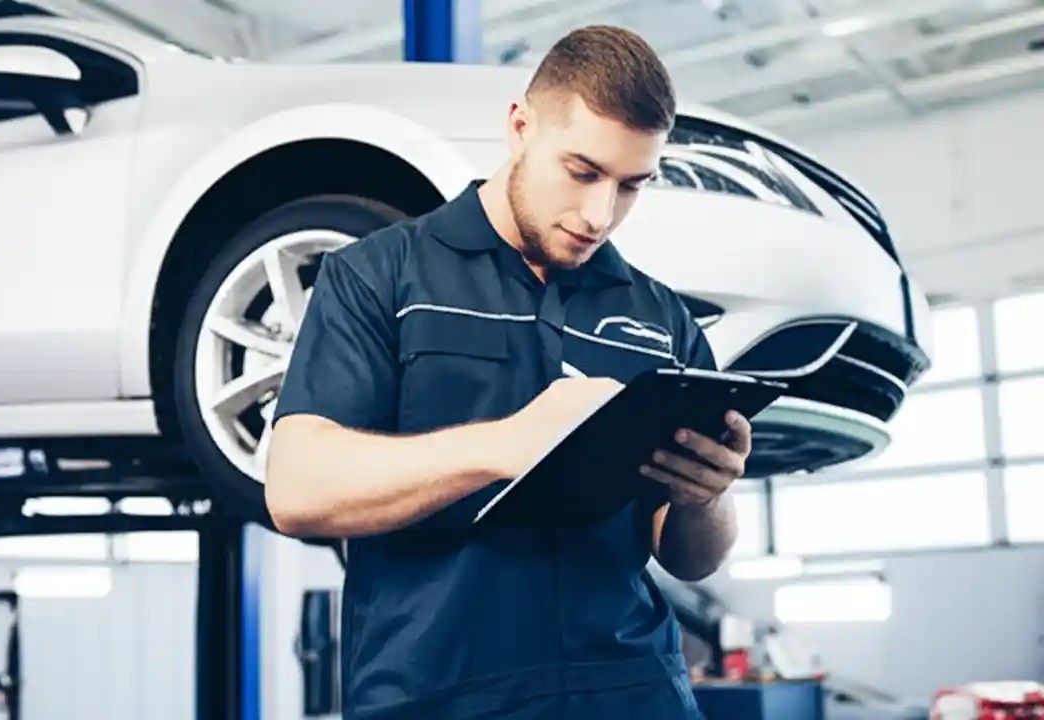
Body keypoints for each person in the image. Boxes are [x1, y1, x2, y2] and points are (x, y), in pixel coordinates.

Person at [265, 24, 753, 720]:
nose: (598, 215)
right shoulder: (380, 275)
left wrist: (708, 496)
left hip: (634, 693)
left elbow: (690, 558)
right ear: (521, 126)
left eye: (630, 187)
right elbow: (297, 488)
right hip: (438, 696)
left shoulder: (660, 316)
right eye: (582, 172)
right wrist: (507, 444)